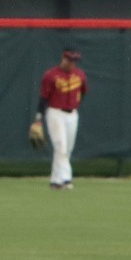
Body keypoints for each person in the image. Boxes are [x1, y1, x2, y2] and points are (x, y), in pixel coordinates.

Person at [34, 48, 87, 190]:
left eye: (74, 60)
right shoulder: (50, 75)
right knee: (60, 146)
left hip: (72, 114)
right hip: (55, 113)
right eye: (70, 59)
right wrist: (38, 117)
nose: (72, 63)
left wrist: (74, 106)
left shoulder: (80, 75)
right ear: (63, 58)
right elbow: (43, 97)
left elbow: (82, 93)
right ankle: (66, 179)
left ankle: (55, 180)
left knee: (67, 149)